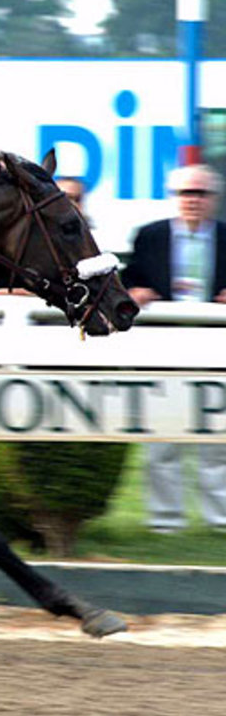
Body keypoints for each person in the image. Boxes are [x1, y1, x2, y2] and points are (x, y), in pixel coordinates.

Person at [121, 163, 226, 533]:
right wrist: (135, 292)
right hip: (162, 348)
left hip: (217, 347)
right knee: (162, 439)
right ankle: (165, 521)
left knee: (218, 439)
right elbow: (129, 280)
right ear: (174, 197)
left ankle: (220, 521)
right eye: (186, 193)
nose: (193, 201)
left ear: (213, 199)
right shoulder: (150, 236)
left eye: (200, 193)